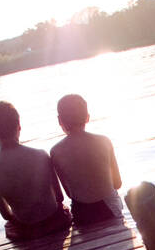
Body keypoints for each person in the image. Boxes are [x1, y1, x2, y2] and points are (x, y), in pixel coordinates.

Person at [0, 101, 72, 243]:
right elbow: (59, 197)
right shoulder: (41, 155)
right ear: (19, 125)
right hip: (55, 222)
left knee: (10, 226)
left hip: (27, 231)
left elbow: (6, 215)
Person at [50, 94, 124, 228]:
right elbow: (117, 183)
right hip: (110, 210)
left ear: (60, 120)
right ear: (87, 117)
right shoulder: (104, 141)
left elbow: (69, 193)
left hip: (82, 214)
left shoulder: (55, 151)